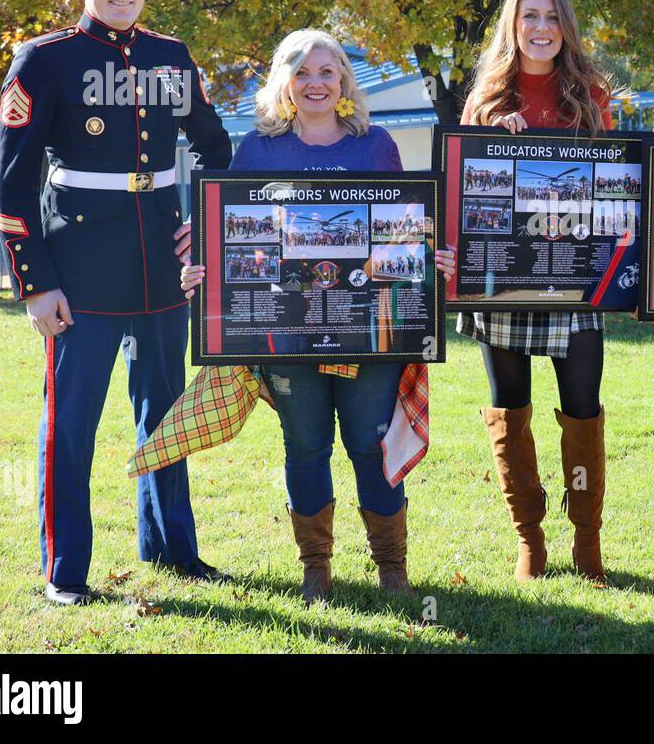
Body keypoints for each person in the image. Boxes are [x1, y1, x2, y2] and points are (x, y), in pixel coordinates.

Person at [0, 0, 233, 605]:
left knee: (166, 415)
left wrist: (203, 231)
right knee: (72, 423)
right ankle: (65, 572)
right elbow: (11, 184)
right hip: (79, 264)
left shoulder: (172, 56)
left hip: (161, 260)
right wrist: (35, 284)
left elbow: (216, 151)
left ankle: (173, 547)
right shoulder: (43, 60)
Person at [182, 30, 454, 602]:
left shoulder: (376, 145)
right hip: (288, 332)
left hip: (368, 328)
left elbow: (402, 230)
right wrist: (204, 273)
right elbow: (238, 242)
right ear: (284, 82)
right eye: (302, 72)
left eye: (327, 72)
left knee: (370, 443)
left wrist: (433, 254)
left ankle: (393, 570)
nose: (315, 83)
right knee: (305, 446)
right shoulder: (257, 149)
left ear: (344, 83)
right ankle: (316, 570)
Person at [458, 0, 614, 583]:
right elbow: (465, 189)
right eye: (529, 16)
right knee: (509, 404)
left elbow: (616, 186)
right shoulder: (486, 100)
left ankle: (587, 538)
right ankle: (530, 539)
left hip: (574, 275)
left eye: (551, 16)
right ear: (512, 25)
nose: (541, 28)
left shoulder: (590, 94)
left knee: (581, 405)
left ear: (565, 26)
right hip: (504, 277)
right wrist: (491, 146)